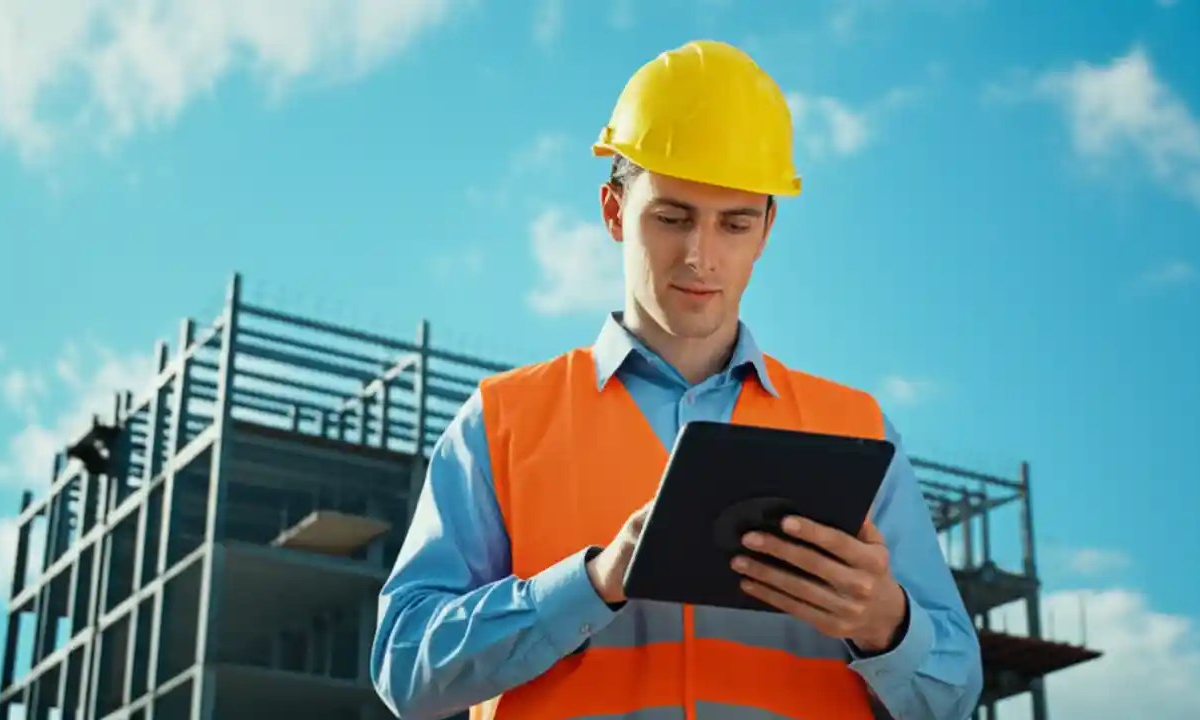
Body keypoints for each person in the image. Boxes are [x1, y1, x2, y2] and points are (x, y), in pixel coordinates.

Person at [370, 39, 983, 720]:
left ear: (766, 231)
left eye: (734, 223)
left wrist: (883, 622)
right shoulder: (504, 421)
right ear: (613, 212)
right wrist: (592, 583)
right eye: (672, 217)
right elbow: (405, 668)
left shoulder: (857, 429)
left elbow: (952, 697)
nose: (701, 256)